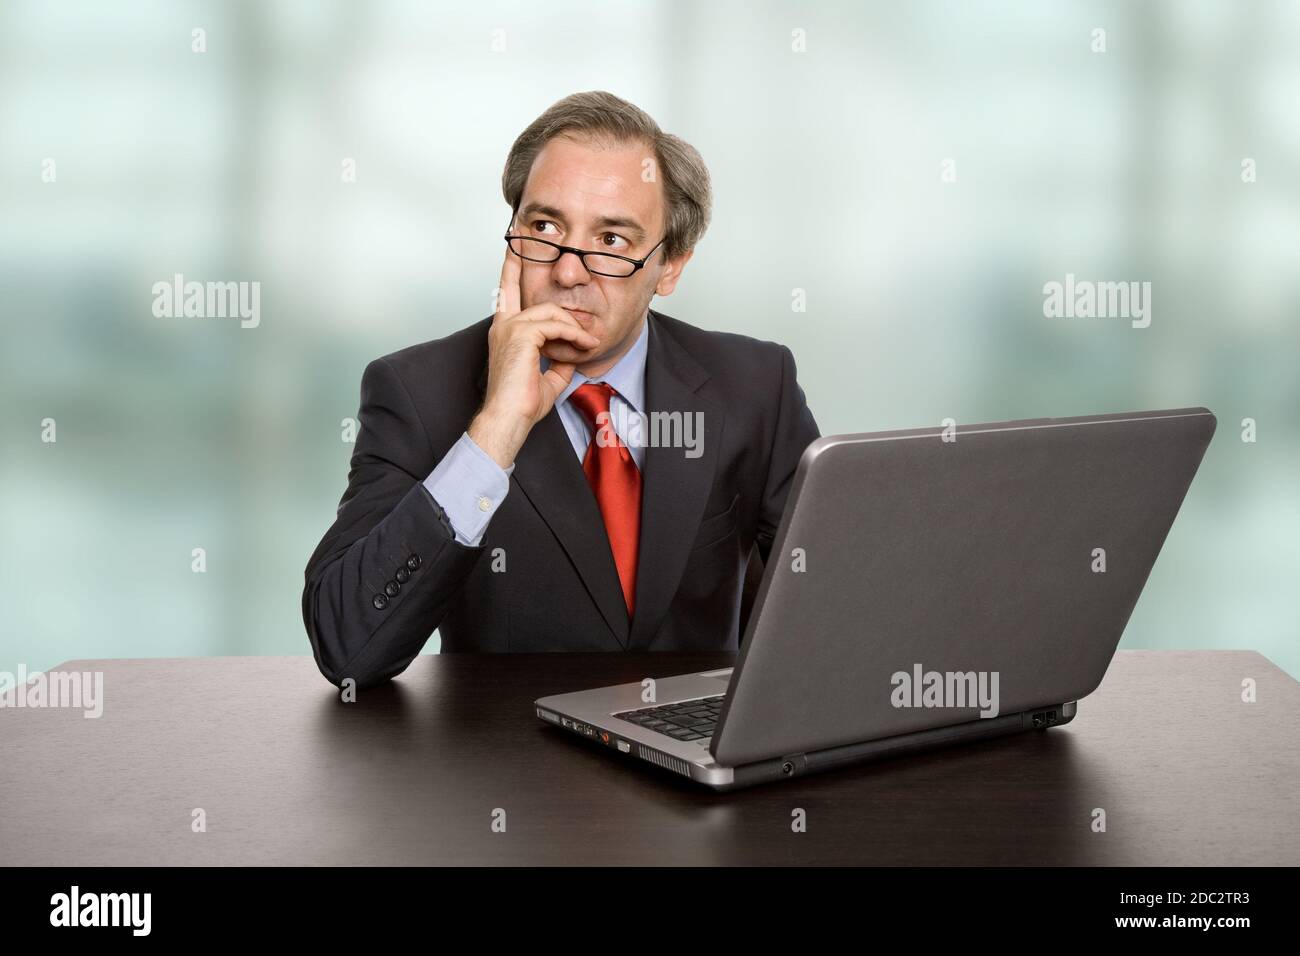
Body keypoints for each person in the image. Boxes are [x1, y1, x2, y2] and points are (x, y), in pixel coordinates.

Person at [303, 90, 819, 688]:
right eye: (544, 227)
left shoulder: (756, 384)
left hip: (694, 759)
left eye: (612, 241)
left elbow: (836, 599)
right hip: (508, 763)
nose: (567, 271)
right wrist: (495, 428)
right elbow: (346, 649)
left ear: (671, 264)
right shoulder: (418, 391)